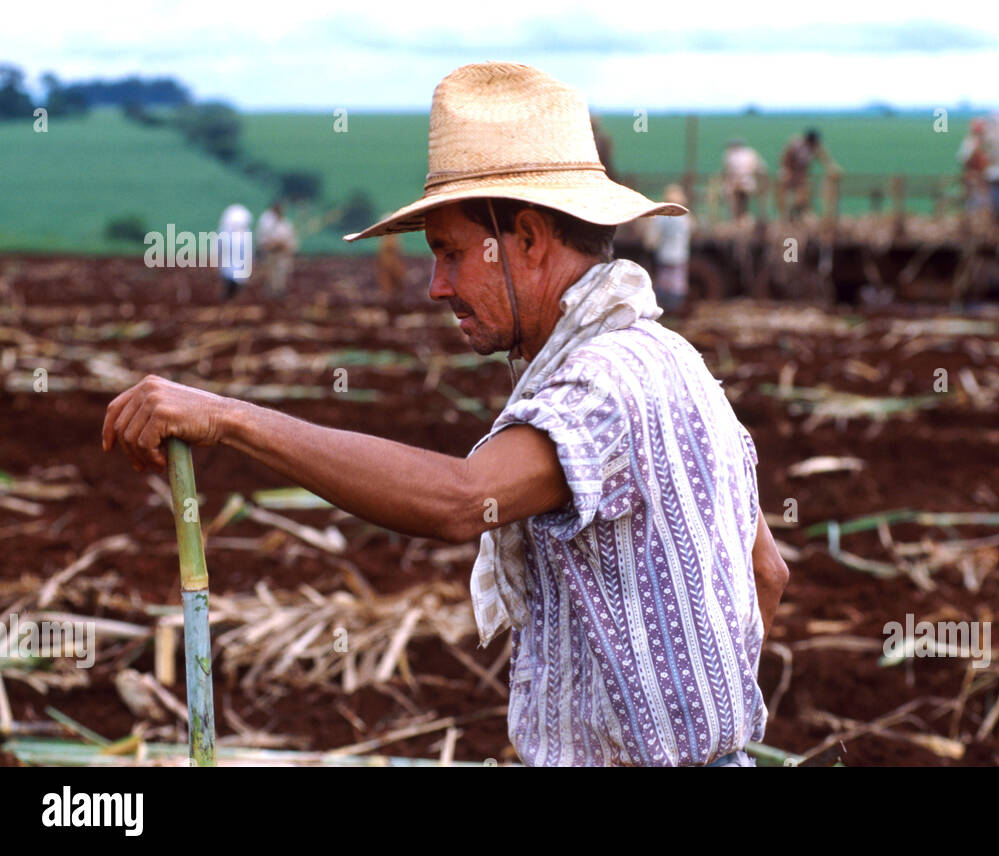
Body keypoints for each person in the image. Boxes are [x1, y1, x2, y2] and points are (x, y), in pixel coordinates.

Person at [102, 62, 789, 768]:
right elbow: (766, 572)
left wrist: (231, 419)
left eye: (451, 254)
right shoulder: (678, 362)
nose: (436, 287)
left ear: (526, 237)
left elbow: (461, 501)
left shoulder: (602, 384)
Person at [644, 184, 693, 313]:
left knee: (663, 282)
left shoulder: (660, 218)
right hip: (680, 255)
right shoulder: (685, 218)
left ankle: (665, 311)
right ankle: (676, 310)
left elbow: (652, 239)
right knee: (678, 283)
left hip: (664, 255)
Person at [778, 128, 839, 221]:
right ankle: (785, 215)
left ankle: (799, 212)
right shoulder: (796, 144)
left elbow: (825, 159)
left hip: (803, 174)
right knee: (783, 187)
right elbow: (785, 158)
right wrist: (787, 172)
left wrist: (832, 168)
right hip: (790, 171)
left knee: (803, 197)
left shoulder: (815, 147)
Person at [255, 202, 298, 300]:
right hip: (270, 254)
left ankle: (279, 293)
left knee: (281, 274)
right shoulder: (267, 224)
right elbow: (261, 239)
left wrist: (284, 245)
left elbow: (291, 241)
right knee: (270, 275)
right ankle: (270, 294)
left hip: (282, 255)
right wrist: (270, 245)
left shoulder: (286, 225)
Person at [722, 138, 768, 221]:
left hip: (746, 182)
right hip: (738, 183)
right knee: (731, 193)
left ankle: (739, 217)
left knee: (737, 193)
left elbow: (757, 169)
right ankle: (737, 217)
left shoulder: (746, 154)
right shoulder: (731, 155)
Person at [216, 203, 252, 299]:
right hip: (229, 265)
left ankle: (234, 297)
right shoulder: (227, 234)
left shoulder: (243, 235)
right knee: (230, 279)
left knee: (236, 281)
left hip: (237, 265)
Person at [957, 118, 988, 214]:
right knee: (974, 203)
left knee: (984, 202)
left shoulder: (986, 142)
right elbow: (963, 159)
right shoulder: (970, 142)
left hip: (984, 178)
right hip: (974, 177)